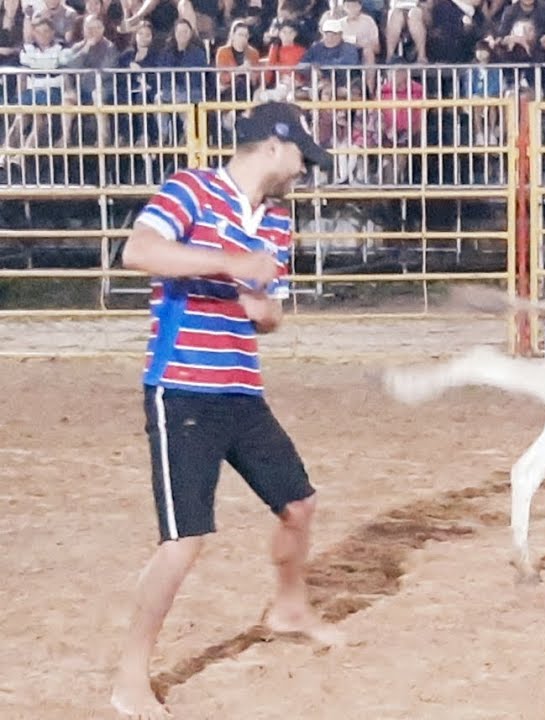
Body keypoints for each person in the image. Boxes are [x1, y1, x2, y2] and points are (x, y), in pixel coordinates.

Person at [109, 101, 337, 720]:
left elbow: (270, 318)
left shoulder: (277, 223)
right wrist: (230, 262)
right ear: (272, 147)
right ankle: (132, 675)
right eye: (300, 157)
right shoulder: (191, 188)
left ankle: (289, 606)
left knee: (299, 504)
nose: (303, 170)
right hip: (181, 386)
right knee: (184, 542)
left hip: (240, 387)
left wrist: (256, 294)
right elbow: (138, 251)